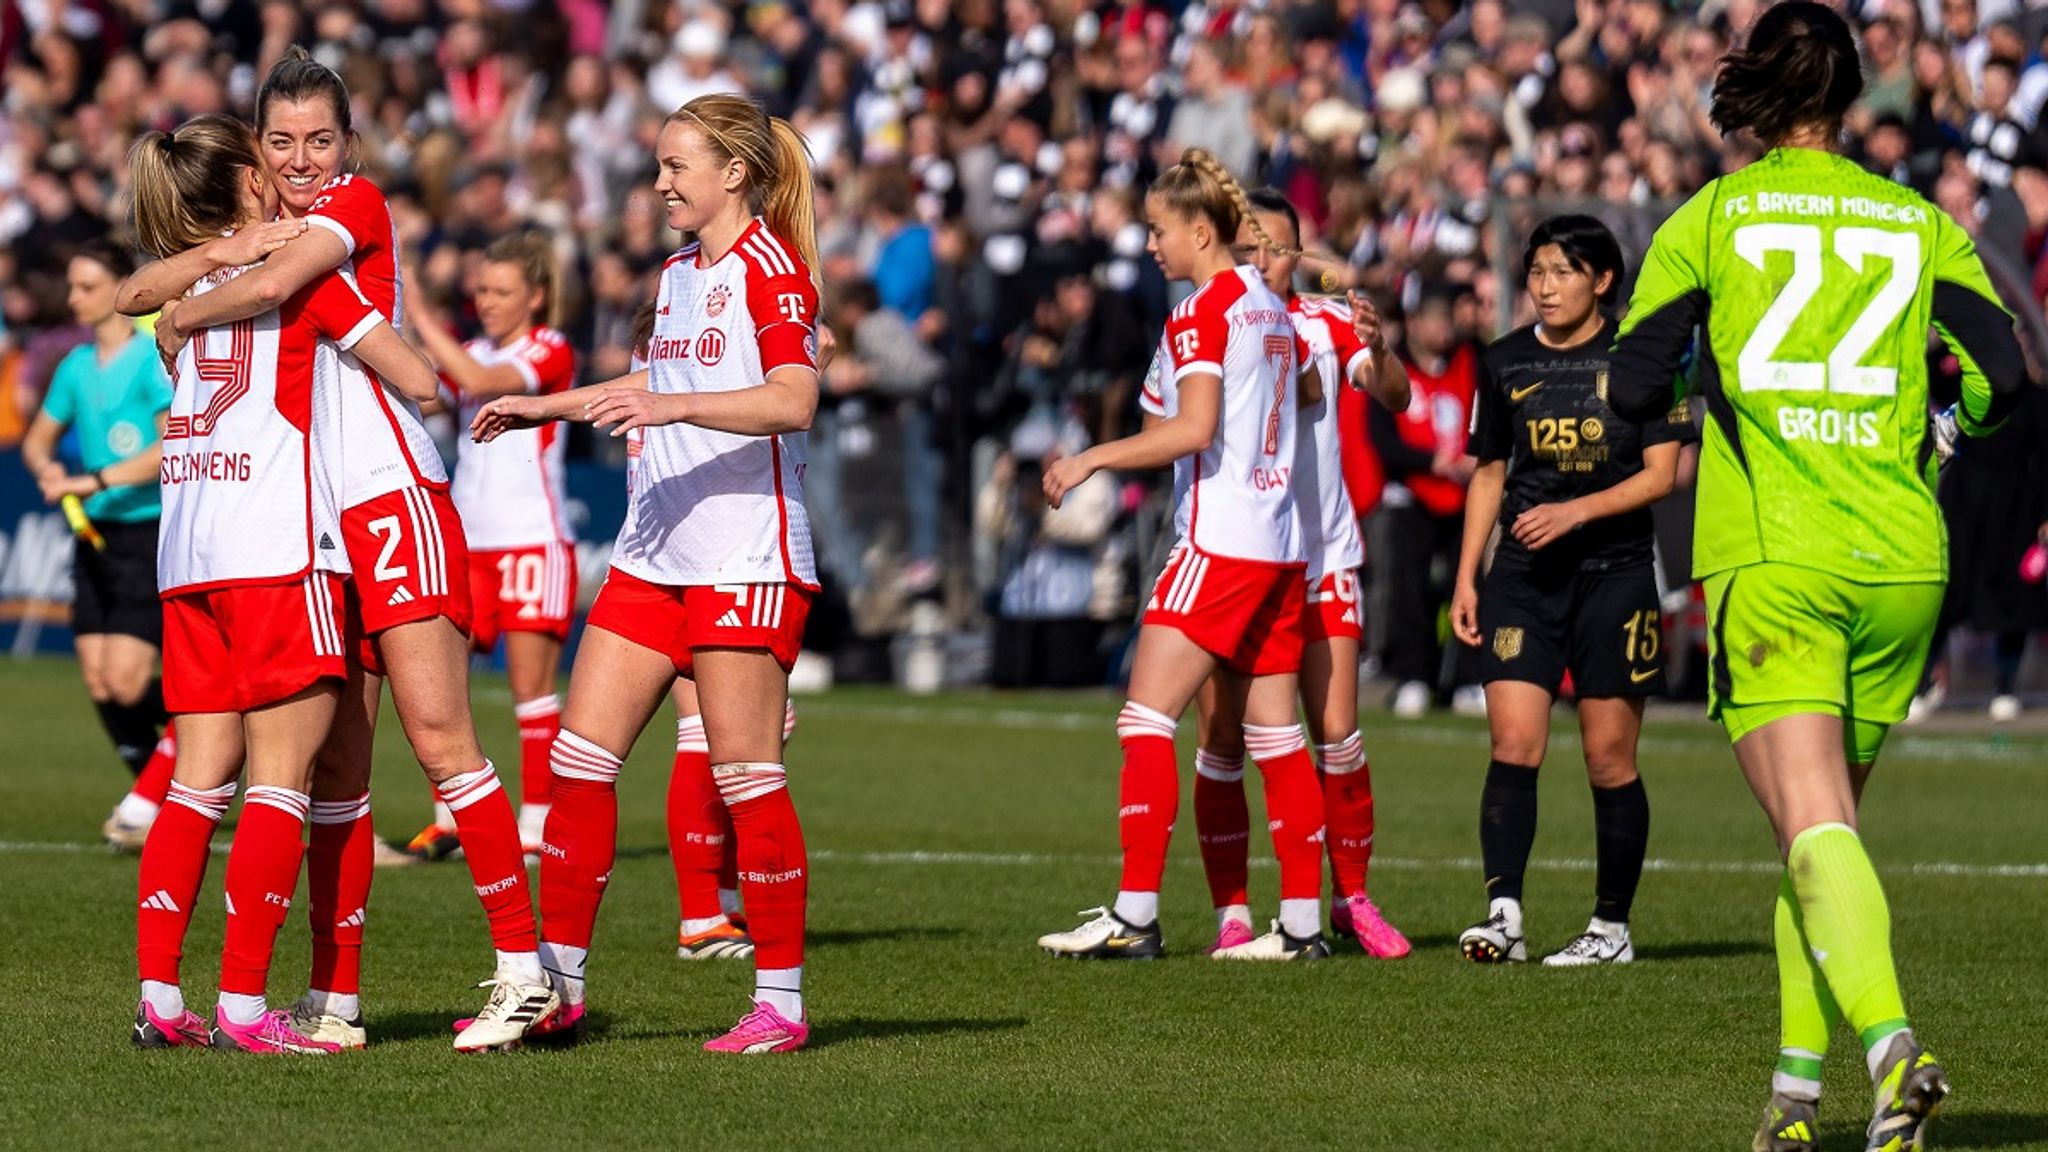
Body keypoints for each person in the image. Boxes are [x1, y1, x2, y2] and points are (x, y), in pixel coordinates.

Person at [1606, 6, 2025, 1148]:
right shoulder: (1911, 217)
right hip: (1898, 557)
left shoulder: (1712, 216)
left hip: (1776, 551)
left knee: (1808, 830)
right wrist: (1942, 428)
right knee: (1824, 830)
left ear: (1756, 83)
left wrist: (1707, 370)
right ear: (1845, 97)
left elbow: (1631, 387)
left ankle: (1890, 1052)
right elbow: (2000, 370)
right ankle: (1793, 1103)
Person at [121, 49, 556, 1052]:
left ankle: (523, 968)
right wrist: (185, 282)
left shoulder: (349, 208)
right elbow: (168, 284)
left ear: (350, 146)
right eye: (283, 141)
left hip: (389, 494)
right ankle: (334, 996)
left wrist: (176, 308)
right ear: (258, 152)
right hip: (319, 518)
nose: (305, 157)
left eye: (321, 138)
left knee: (441, 740)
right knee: (335, 773)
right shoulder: (272, 240)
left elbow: (287, 296)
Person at [470, 92, 825, 1053]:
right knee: (580, 765)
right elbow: (647, 389)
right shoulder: (675, 276)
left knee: (749, 779)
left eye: (676, 166)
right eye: (660, 165)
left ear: (734, 175)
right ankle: (559, 989)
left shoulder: (776, 272)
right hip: (651, 554)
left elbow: (794, 400)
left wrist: (677, 409)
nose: (660, 182)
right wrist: (543, 407)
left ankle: (781, 1006)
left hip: (744, 557)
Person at [121, 113, 444, 1054]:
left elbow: (137, 292)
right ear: (250, 184)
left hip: (188, 560)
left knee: (194, 783)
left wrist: (188, 293)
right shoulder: (298, 273)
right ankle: (245, 1010)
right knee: (281, 784)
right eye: (270, 156)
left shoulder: (180, 290)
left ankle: (162, 1002)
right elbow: (417, 378)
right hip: (275, 550)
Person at [1034, 148, 1327, 962]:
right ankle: (1301, 926)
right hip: (1279, 545)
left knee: (1143, 719)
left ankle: (1134, 916)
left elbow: (1191, 430)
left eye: (1160, 231)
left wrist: (1092, 456)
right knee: (1275, 738)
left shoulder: (1204, 311)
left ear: (1202, 231)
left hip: (1221, 539)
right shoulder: (1270, 304)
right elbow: (1304, 392)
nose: (1152, 247)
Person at [1447, 214, 1694, 970]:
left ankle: (1610, 929)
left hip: (1616, 578)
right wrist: (1468, 574)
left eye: (1563, 272)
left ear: (1603, 280)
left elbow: (1664, 474)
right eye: (1537, 272)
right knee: (1513, 745)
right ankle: (1504, 916)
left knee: (1609, 761)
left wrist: (1576, 511)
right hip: (1523, 579)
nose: (1547, 287)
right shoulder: (1504, 360)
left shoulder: (1642, 360)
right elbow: (1490, 470)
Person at [1186, 187, 1416, 959]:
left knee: (1337, 731)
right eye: (1251, 246)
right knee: (1225, 735)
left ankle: (1351, 899)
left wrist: (1379, 349)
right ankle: (1234, 910)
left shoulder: (1321, 322)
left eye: (1277, 247)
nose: (1264, 260)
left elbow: (1395, 393)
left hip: (1321, 558)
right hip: (1240, 554)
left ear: (1297, 253)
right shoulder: (1214, 319)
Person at [406, 232, 577, 859]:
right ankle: (449, 817)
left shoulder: (549, 350)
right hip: (467, 539)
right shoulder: (470, 347)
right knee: (440, 682)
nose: (487, 302)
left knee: (532, 692)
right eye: (481, 289)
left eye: (502, 291)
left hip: (530, 537)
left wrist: (420, 313)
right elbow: (429, 388)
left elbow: (477, 378)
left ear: (536, 296)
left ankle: (536, 825)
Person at [20, 241, 184, 851]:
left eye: (86, 286)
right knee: (99, 680)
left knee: (128, 676)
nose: (73, 298)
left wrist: (93, 479)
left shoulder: (149, 359)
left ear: (120, 287)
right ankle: (157, 789)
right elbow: (39, 438)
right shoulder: (75, 366)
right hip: (91, 534)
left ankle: (200, 744)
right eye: (71, 287)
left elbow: (171, 448)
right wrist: (43, 467)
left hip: (146, 530)